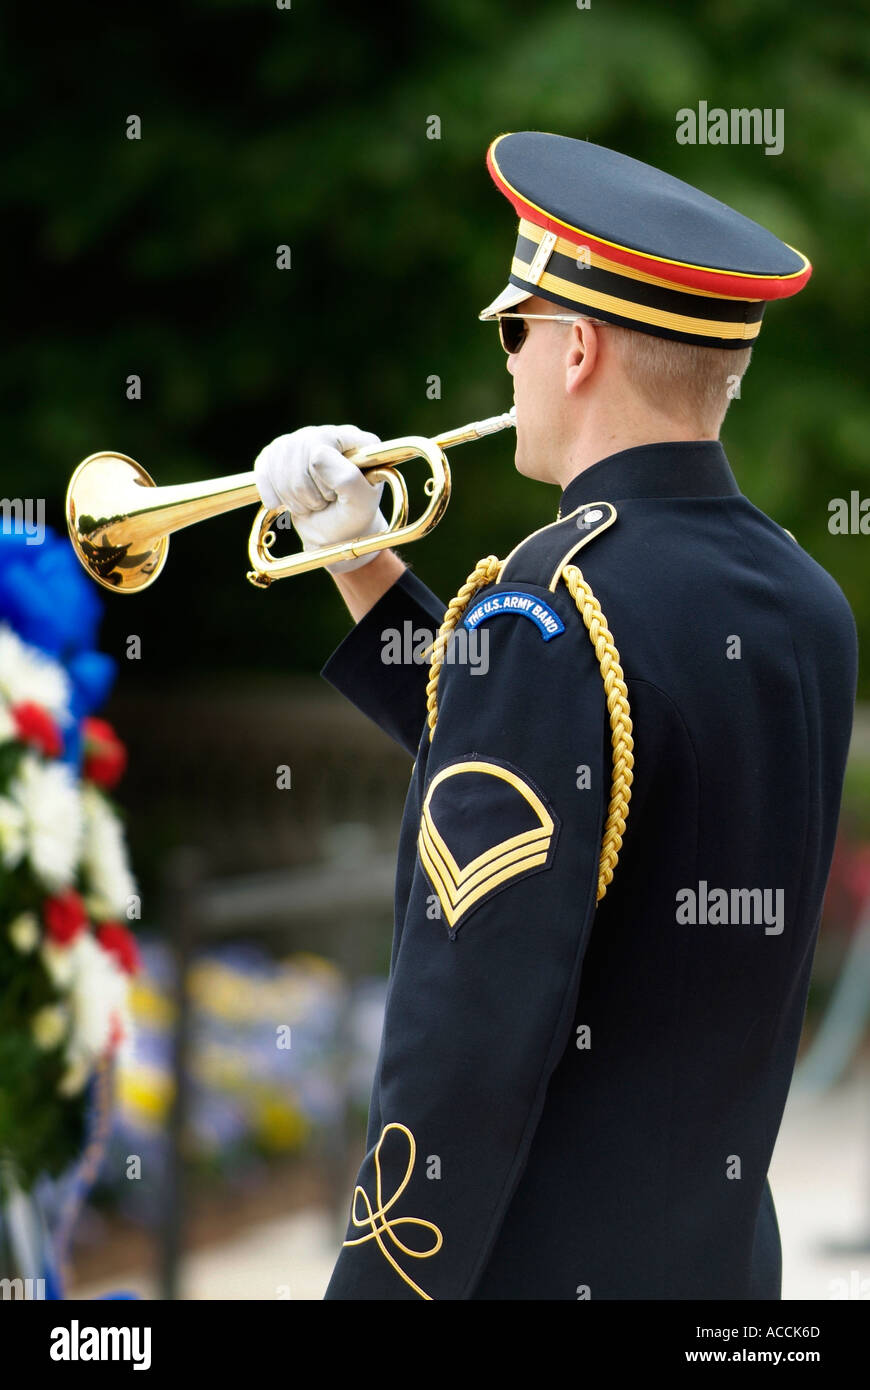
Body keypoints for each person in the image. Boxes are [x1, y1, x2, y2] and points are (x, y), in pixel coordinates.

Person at [254, 132, 858, 1300]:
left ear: (577, 347)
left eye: (513, 333)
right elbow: (580, 770)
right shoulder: (803, 600)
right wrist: (360, 562)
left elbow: (463, 1043)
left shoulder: (552, 602)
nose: (509, 368)